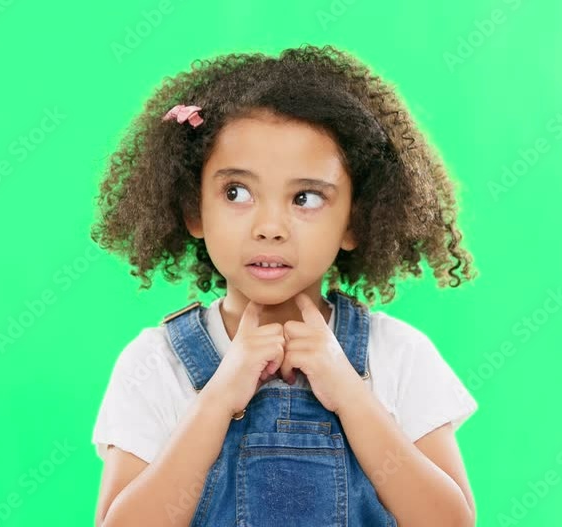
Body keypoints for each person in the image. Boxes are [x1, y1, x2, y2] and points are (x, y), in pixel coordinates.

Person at [90, 44, 479, 527]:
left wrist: (349, 392)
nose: (270, 226)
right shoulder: (155, 364)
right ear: (194, 210)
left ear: (354, 221)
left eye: (306, 197)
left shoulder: (396, 355)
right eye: (237, 192)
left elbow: (451, 522)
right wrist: (218, 397)